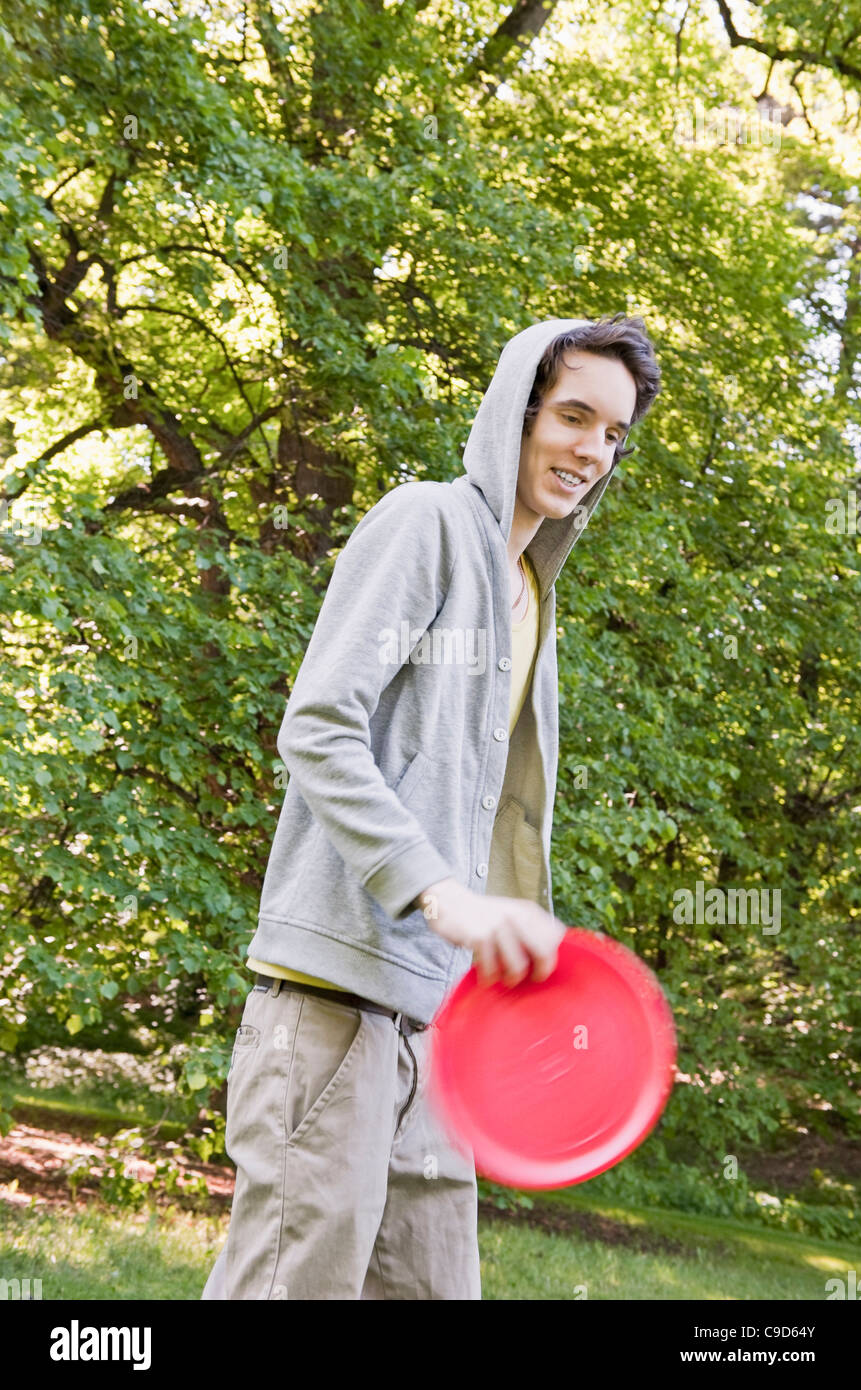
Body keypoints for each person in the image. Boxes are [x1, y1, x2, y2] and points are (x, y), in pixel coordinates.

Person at [201, 312, 662, 1300]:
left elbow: (495, 813)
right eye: (573, 415)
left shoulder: (533, 594)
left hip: (441, 1030)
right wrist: (437, 894)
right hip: (329, 1009)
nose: (590, 449)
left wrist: (520, 961)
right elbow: (318, 725)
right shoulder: (428, 525)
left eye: (613, 434)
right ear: (515, 411)